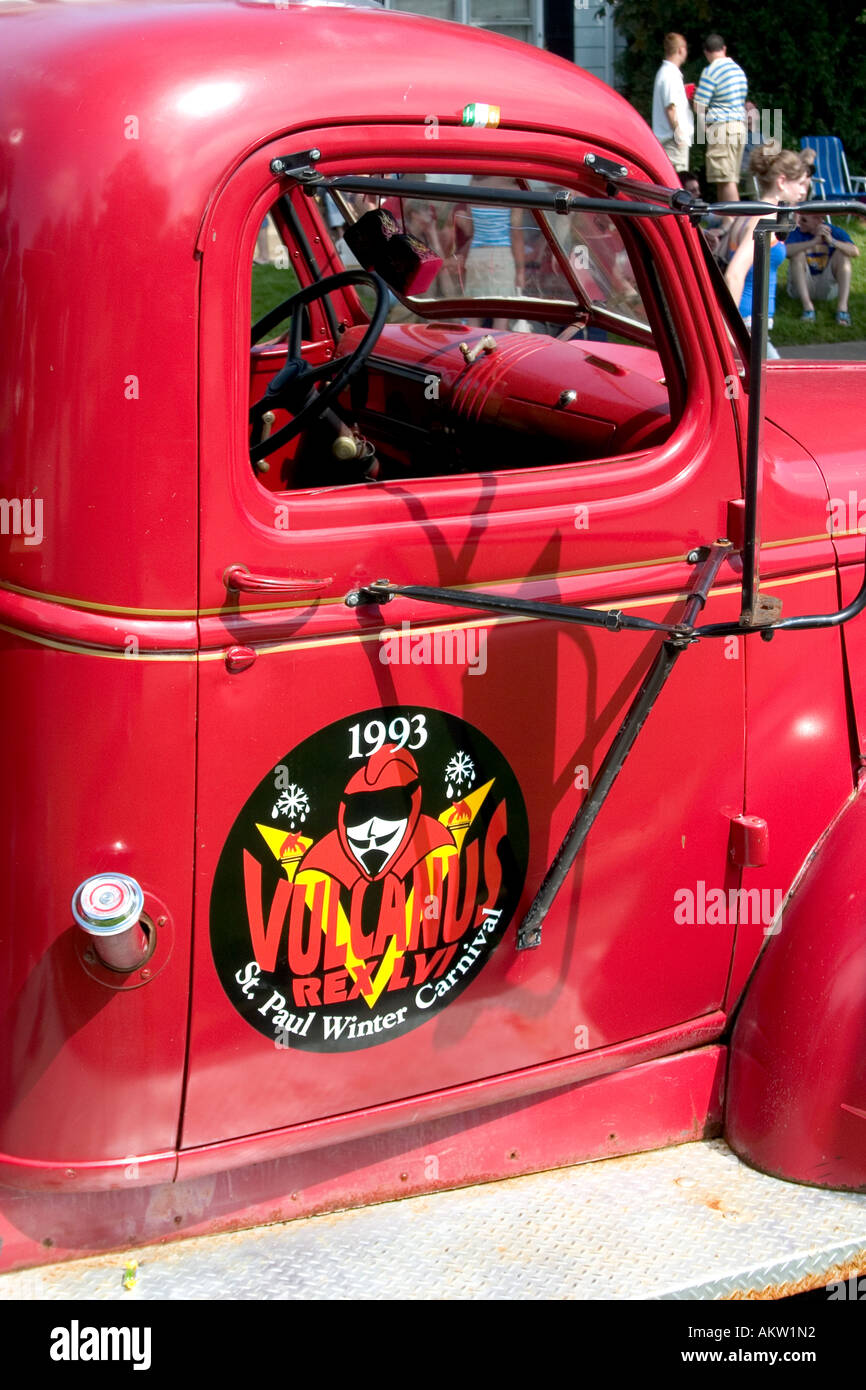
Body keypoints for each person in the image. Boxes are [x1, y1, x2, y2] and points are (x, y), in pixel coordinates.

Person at [724, 144, 814, 358]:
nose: (804, 191)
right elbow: (733, 274)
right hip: (747, 325)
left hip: (751, 324)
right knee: (777, 386)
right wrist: (728, 332)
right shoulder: (765, 220)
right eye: (800, 183)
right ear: (782, 181)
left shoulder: (748, 214)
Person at [693, 33, 748, 204]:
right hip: (739, 126)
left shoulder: (711, 71)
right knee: (725, 178)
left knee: (726, 180)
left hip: (723, 127)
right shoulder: (738, 70)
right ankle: (726, 220)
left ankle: (734, 223)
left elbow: (699, 105)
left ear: (706, 52)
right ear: (724, 49)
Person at [784, 210, 859, 327]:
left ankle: (842, 309)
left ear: (818, 220)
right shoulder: (795, 232)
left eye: (804, 220)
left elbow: (855, 251)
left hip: (826, 287)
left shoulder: (834, 231)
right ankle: (808, 308)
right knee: (797, 255)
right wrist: (813, 242)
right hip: (801, 286)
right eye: (799, 218)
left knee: (843, 256)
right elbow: (785, 251)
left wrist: (832, 241)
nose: (799, 222)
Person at [651, 33, 693, 173]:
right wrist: (679, 135)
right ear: (681, 49)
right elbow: (670, 108)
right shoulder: (670, 74)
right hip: (672, 141)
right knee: (678, 183)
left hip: (669, 139)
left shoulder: (666, 73)